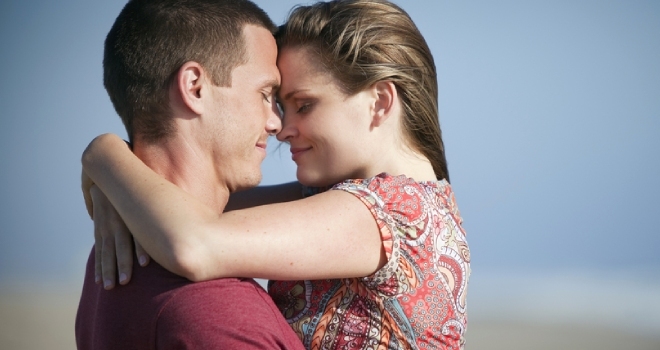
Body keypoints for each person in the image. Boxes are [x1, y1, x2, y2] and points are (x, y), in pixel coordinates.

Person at [82, 0, 470, 348]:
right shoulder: (343, 200)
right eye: (277, 103)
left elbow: (195, 242)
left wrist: (102, 155)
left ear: (380, 102)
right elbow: (186, 202)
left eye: (304, 105)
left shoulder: (396, 214)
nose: (282, 128)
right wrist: (113, 187)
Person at [74, 0, 304, 349]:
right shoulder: (217, 314)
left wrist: (104, 156)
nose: (276, 123)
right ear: (195, 86)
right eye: (265, 94)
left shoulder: (110, 253)